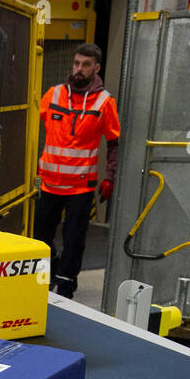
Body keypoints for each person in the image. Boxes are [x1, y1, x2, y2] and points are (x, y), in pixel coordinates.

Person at [33, 43, 120, 298]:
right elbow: (26, 120)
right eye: (76, 63)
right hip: (48, 184)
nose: (78, 69)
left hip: (80, 187)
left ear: (97, 68)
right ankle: (43, 280)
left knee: (74, 240)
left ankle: (66, 287)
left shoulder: (105, 102)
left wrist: (109, 177)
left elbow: (114, 143)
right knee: (40, 239)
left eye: (85, 64)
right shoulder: (55, 94)